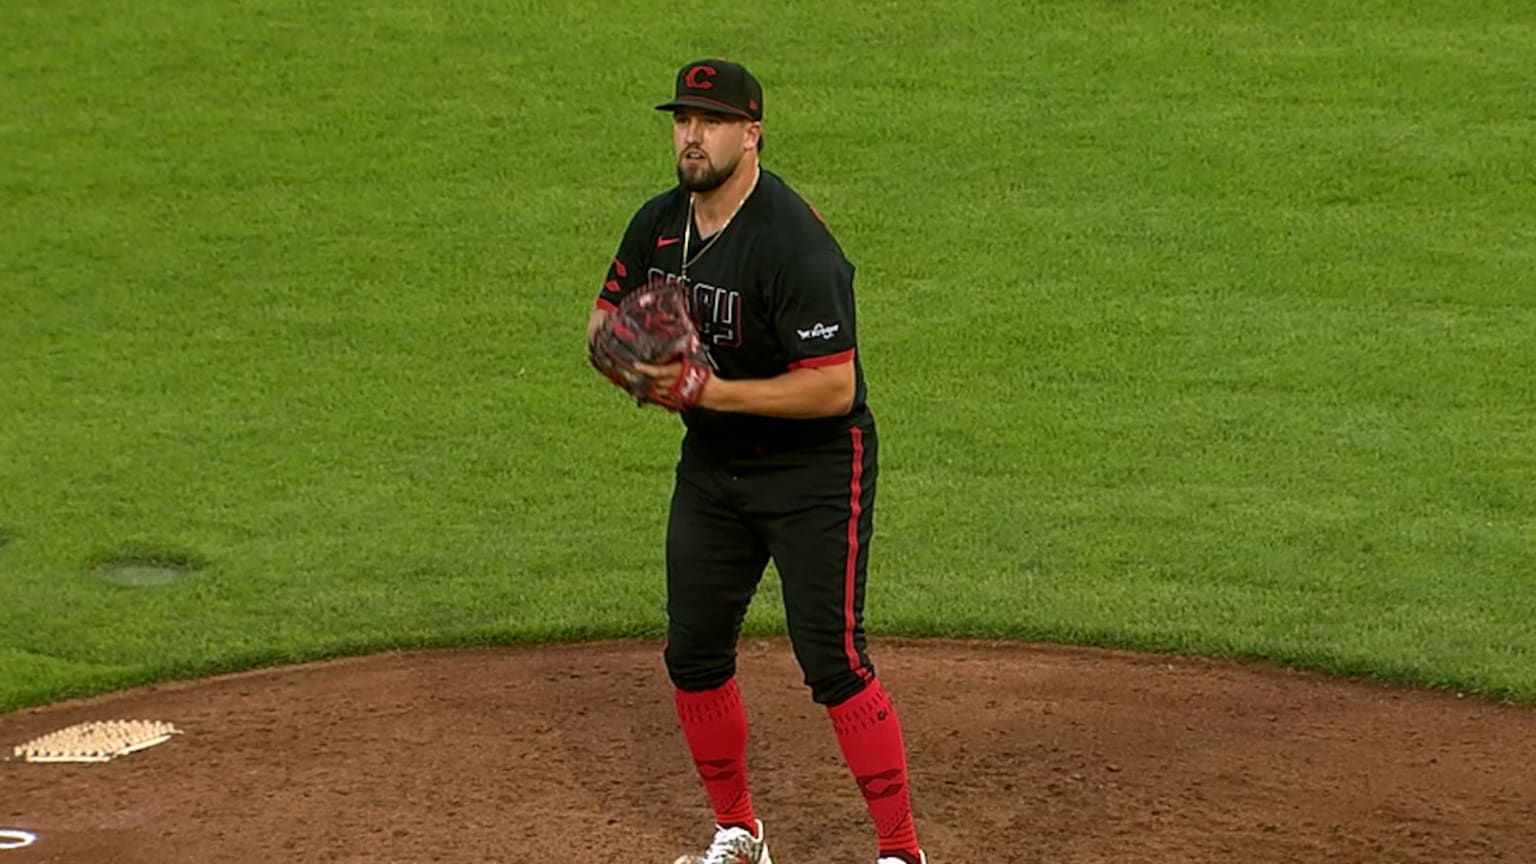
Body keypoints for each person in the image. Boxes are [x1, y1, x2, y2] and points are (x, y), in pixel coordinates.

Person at [586, 58, 927, 864]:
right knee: (694, 651)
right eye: (681, 120)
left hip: (813, 470)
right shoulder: (658, 226)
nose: (691, 136)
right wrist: (622, 356)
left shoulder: (794, 244)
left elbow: (832, 388)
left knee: (833, 661)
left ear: (752, 132)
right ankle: (739, 835)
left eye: (709, 121)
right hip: (714, 469)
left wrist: (706, 391)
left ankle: (902, 852)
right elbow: (601, 320)